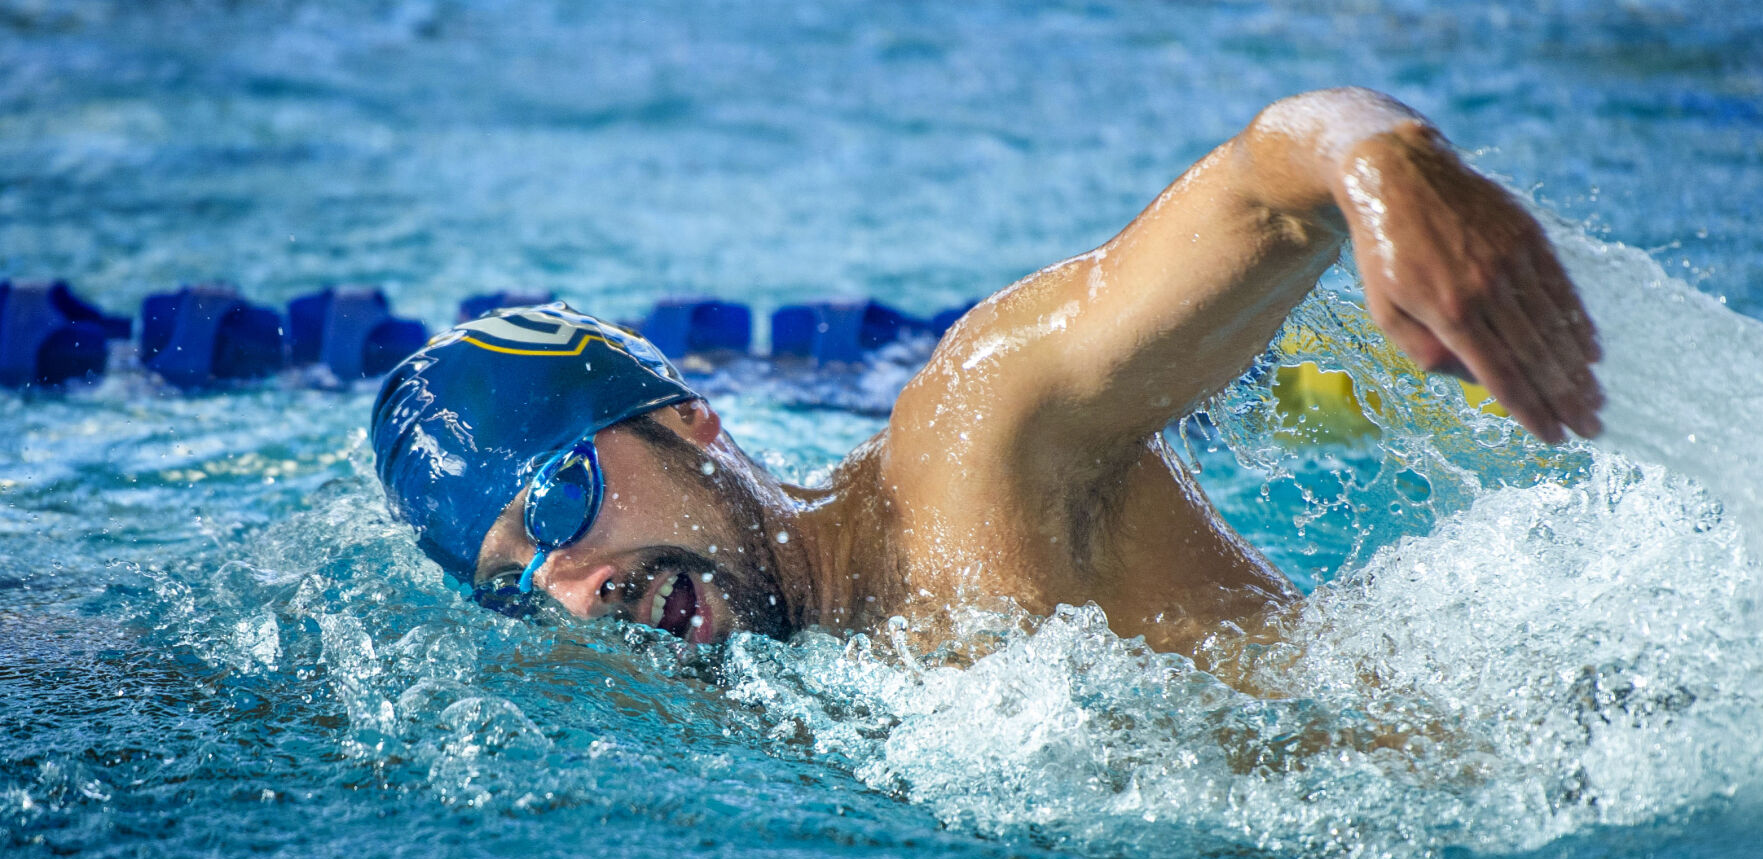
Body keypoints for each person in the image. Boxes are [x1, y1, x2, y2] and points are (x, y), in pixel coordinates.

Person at [371, 87, 1601, 664]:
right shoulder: (725, 680)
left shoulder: (976, 449)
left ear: (688, 422)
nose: (574, 587)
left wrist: (1385, 168)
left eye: (559, 506)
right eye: (519, 581)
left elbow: (1269, 182)